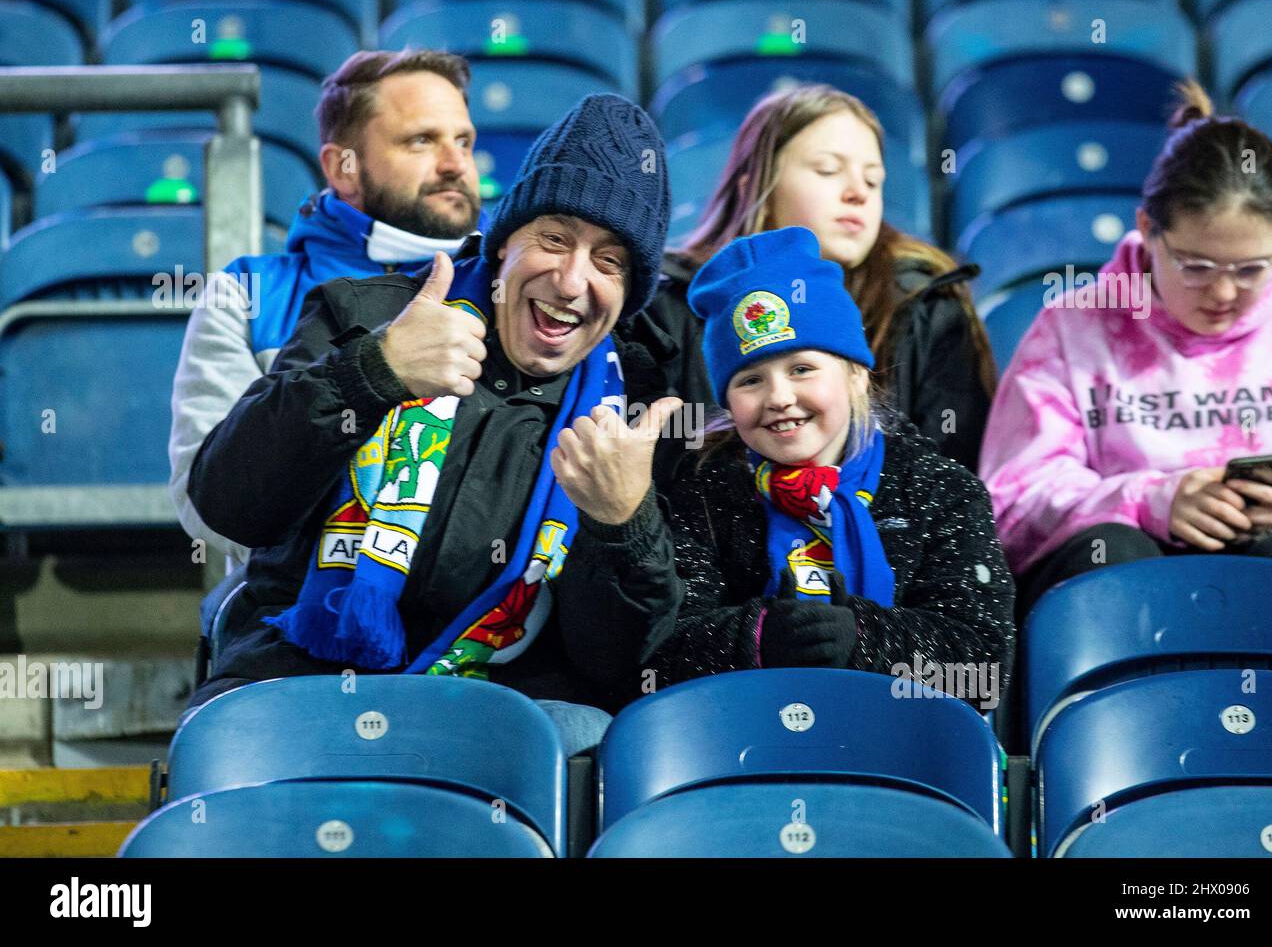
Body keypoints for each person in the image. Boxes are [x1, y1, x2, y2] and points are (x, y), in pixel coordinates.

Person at [182, 94, 676, 756]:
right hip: (301, 674)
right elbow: (230, 505)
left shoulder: (630, 414)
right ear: (504, 247)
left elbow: (616, 664)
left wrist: (622, 525)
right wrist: (371, 371)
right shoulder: (370, 313)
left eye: (609, 261)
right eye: (554, 239)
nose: (571, 280)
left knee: (590, 743)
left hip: (499, 706)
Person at [556, 226, 1015, 711]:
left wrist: (859, 637)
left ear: (856, 374)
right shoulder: (707, 493)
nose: (778, 397)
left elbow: (983, 668)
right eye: (751, 379)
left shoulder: (941, 490)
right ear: (728, 402)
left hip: (908, 755)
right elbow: (659, 658)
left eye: (802, 369)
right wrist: (761, 636)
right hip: (747, 749)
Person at [981, 80, 1272, 626]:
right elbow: (1011, 502)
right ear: (1148, 229)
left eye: (1251, 270)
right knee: (1115, 553)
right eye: (1196, 267)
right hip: (1130, 577)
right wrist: (1153, 500)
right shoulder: (1075, 325)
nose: (1224, 294)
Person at [169, 49, 482, 568]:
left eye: (464, 141)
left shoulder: (515, 288)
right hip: (285, 627)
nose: (455, 164)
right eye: (422, 140)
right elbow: (207, 505)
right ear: (344, 167)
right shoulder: (247, 293)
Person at [634, 84, 997, 473]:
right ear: (755, 185)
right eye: (828, 170)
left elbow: (953, 488)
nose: (859, 193)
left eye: (873, 180)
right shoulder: (663, 307)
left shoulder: (925, 305)